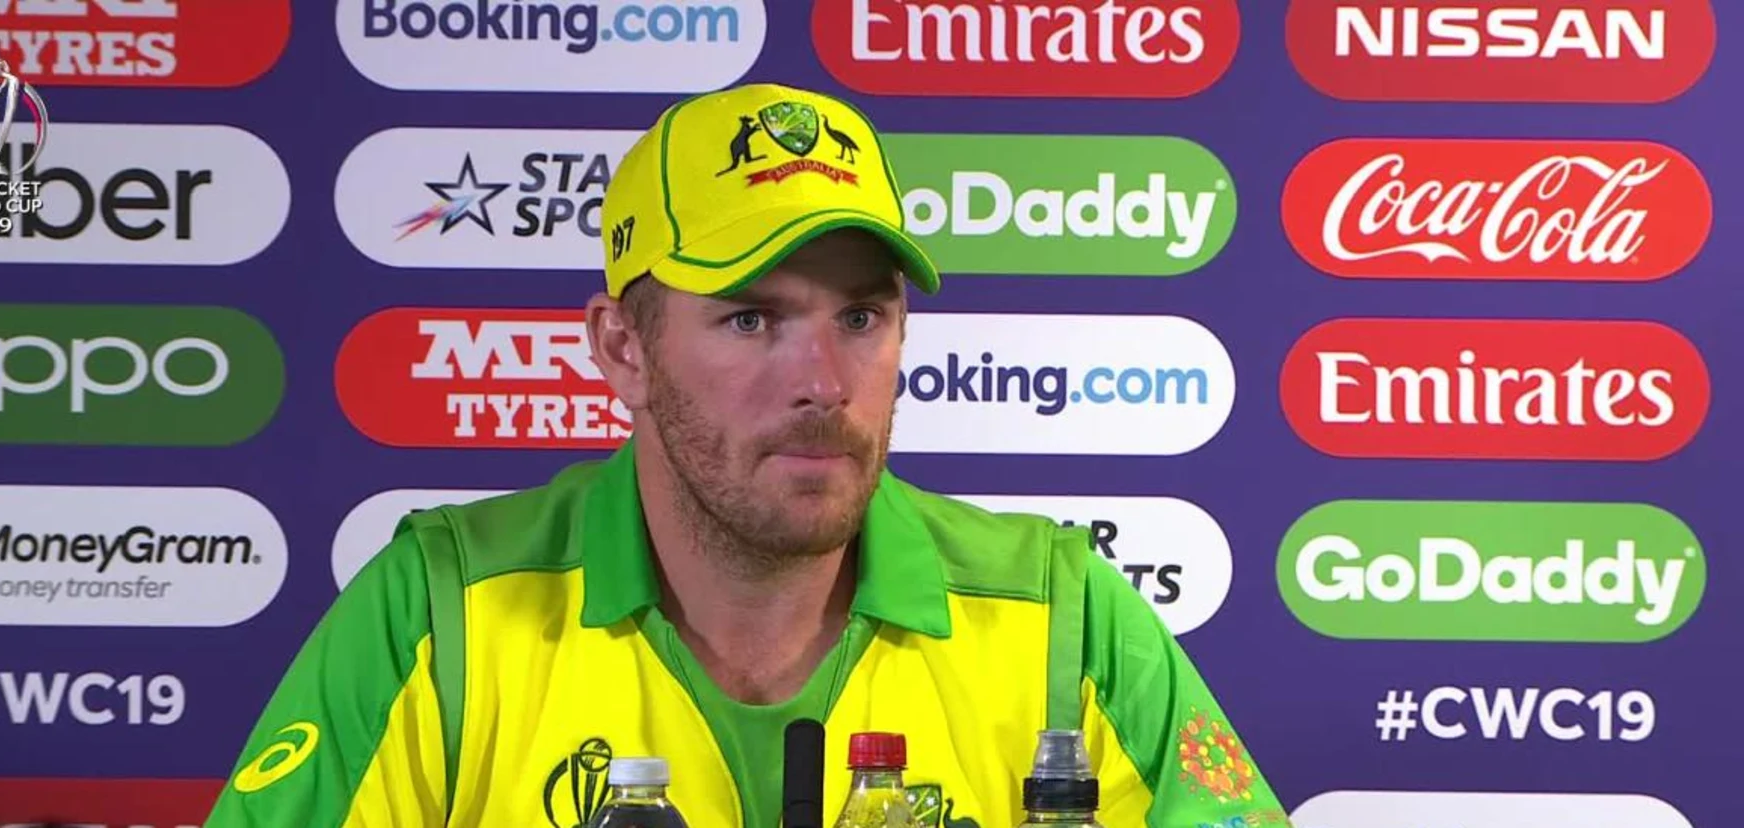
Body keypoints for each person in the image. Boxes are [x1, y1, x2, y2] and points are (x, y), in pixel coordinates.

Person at [203, 83, 1291, 828]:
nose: (823, 380)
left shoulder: (1062, 610)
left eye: (861, 318)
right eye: (752, 321)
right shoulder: (439, 608)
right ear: (622, 347)